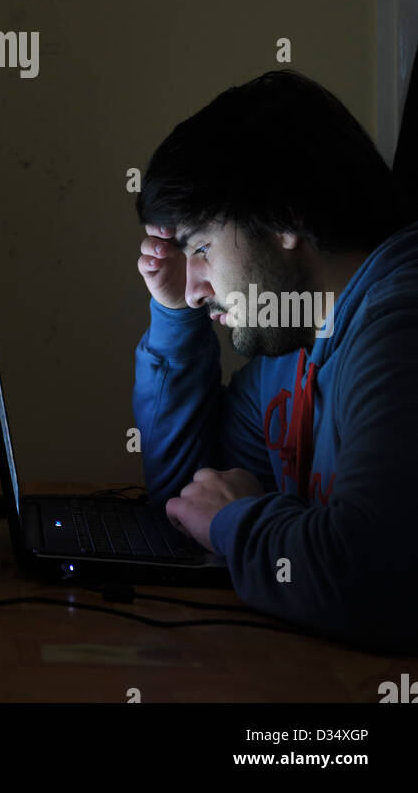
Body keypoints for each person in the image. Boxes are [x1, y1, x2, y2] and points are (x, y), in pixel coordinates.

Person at [133, 69, 418, 652]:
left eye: (202, 247)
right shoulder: (293, 348)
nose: (192, 288)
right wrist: (175, 318)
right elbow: (184, 498)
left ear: (284, 217)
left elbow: (372, 582)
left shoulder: (401, 329)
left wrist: (233, 525)